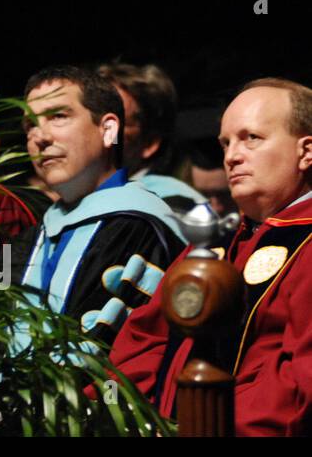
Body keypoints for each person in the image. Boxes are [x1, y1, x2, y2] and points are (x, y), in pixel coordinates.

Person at [109, 78, 312, 435]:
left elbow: (299, 384)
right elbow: (145, 339)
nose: (232, 156)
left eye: (252, 138)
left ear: (306, 151)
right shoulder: (215, 242)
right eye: (226, 142)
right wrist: (118, 412)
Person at [9, 66, 185, 351]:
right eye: (30, 125)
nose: (39, 137)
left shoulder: (139, 227)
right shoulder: (31, 239)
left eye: (58, 117)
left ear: (109, 130)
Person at [97, 62, 206, 212]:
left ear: (149, 144)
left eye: (111, 123)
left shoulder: (173, 204)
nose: (96, 130)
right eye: (93, 114)